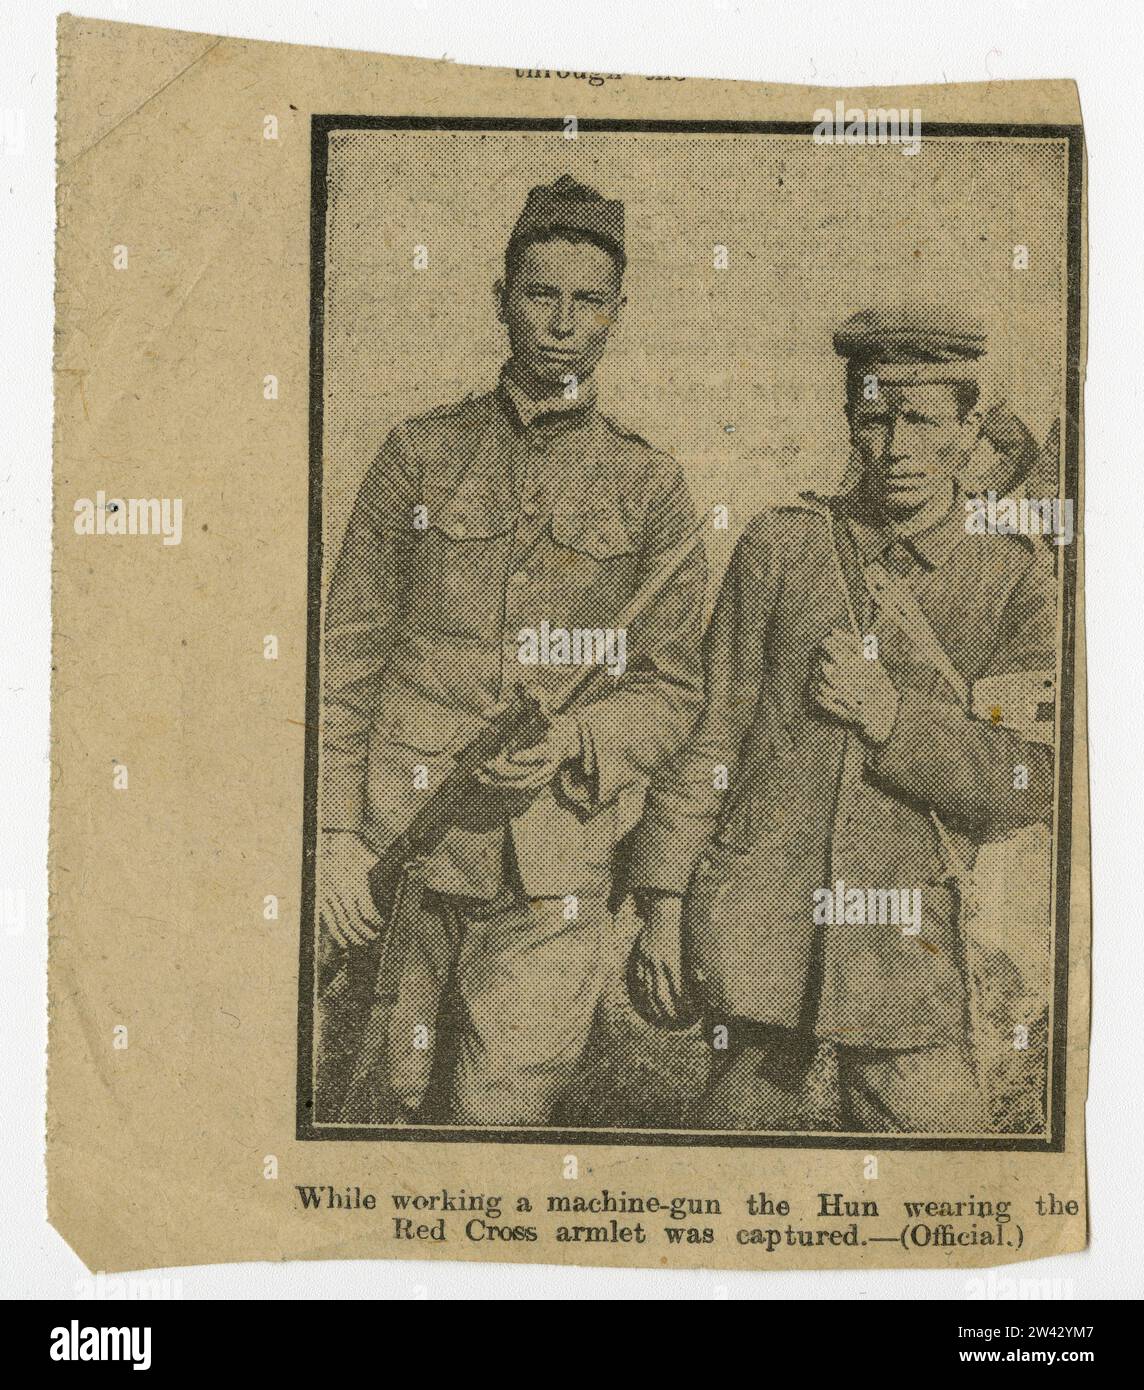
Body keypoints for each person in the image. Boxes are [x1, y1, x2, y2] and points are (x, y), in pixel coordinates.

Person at [318, 175, 706, 1126]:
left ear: (618, 314)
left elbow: (670, 688)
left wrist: (580, 738)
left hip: (556, 871)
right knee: (379, 1101)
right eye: (541, 295)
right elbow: (345, 662)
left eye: (587, 301)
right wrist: (330, 835)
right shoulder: (418, 455)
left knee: (501, 1119)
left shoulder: (652, 487)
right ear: (502, 301)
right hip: (399, 855)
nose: (562, 324)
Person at [626, 307, 1056, 1134]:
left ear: (969, 427)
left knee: (948, 1182)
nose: (893, 450)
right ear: (850, 423)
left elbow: (1026, 782)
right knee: (725, 1177)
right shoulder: (782, 548)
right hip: (759, 936)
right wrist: (663, 900)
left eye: (922, 421)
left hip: (904, 950)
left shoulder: (1010, 579)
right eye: (872, 421)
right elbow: (709, 738)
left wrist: (896, 721)